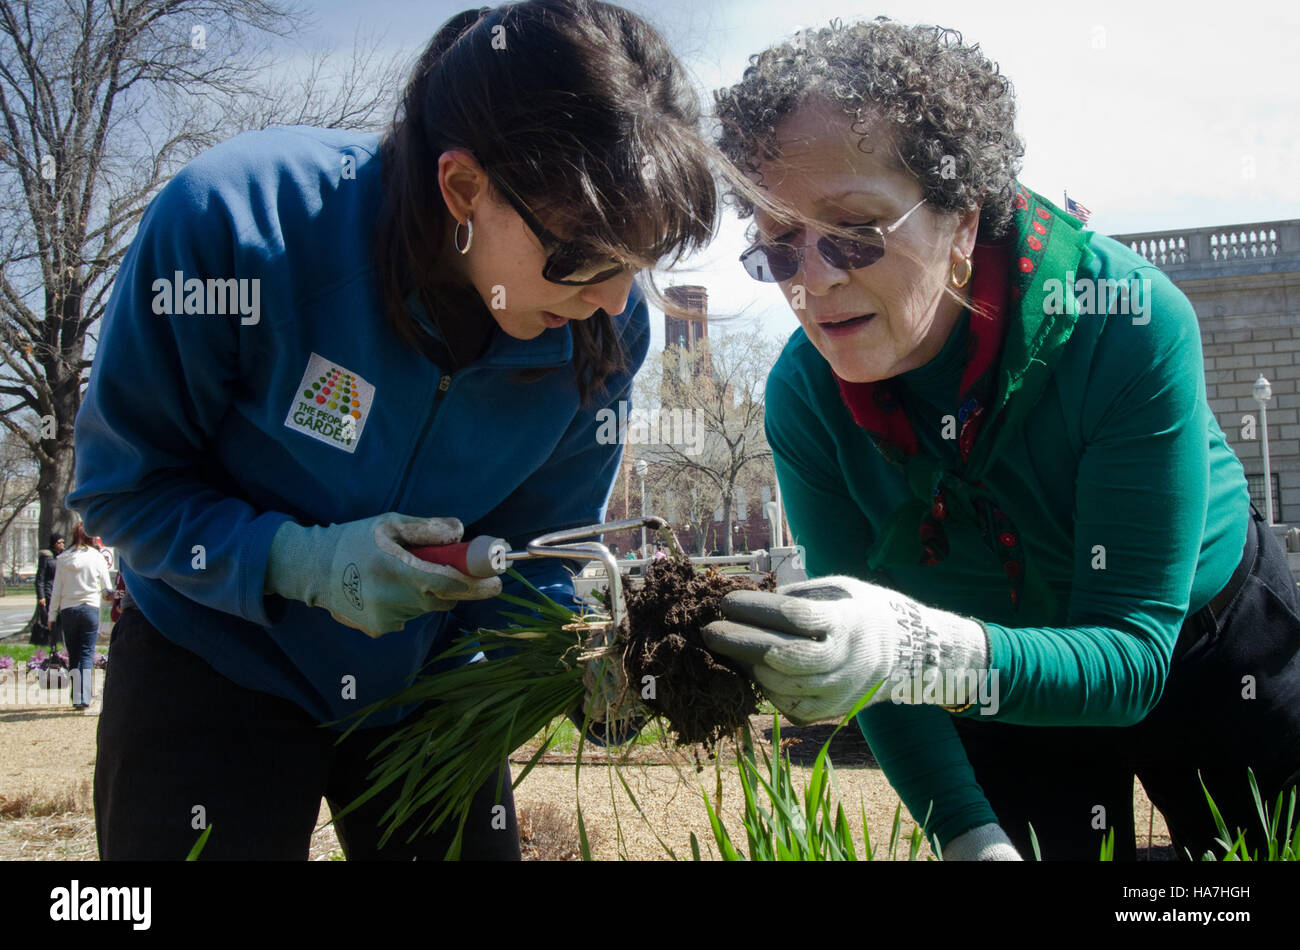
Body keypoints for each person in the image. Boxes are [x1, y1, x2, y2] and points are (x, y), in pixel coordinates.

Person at [68, 0, 726, 860]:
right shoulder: (235, 227)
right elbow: (124, 487)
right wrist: (299, 564)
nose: (611, 302)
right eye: (589, 258)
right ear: (463, 187)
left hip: (428, 680)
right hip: (212, 653)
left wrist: (593, 664)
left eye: (636, 265)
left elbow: (538, 557)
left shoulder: (604, 332)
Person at [705, 18, 1300, 861]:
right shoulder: (803, 399)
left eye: (854, 231)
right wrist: (965, 829)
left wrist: (911, 649)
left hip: (1202, 643)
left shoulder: (1128, 323)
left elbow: (1130, 658)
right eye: (779, 245)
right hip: (988, 679)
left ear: (959, 219)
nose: (817, 279)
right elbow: (872, 663)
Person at [48, 524, 114, 710]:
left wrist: (52, 615)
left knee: (74, 653)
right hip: (89, 608)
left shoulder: (63, 559)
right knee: (86, 652)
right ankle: (82, 696)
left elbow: (57, 590)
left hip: (68, 609)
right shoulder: (97, 557)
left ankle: (76, 694)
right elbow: (106, 587)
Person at [31, 533, 63, 647]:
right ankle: (49, 643)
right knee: (49, 620)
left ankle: (59, 643)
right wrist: (41, 596)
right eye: (59, 543)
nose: (62, 545)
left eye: (63, 542)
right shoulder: (46, 556)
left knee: (61, 620)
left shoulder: (62, 556)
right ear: (54, 544)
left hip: (61, 593)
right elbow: (40, 578)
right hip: (48, 592)